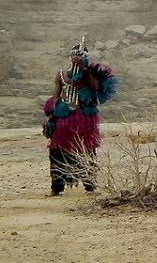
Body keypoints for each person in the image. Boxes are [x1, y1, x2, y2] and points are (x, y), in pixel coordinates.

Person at [42, 40, 118, 195]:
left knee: (86, 149)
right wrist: (51, 117)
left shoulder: (88, 74)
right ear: (70, 56)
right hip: (64, 116)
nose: (75, 57)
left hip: (84, 117)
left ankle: (90, 186)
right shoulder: (62, 75)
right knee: (58, 150)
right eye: (74, 55)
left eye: (79, 55)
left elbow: (96, 87)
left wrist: (84, 69)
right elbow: (55, 97)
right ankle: (57, 187)